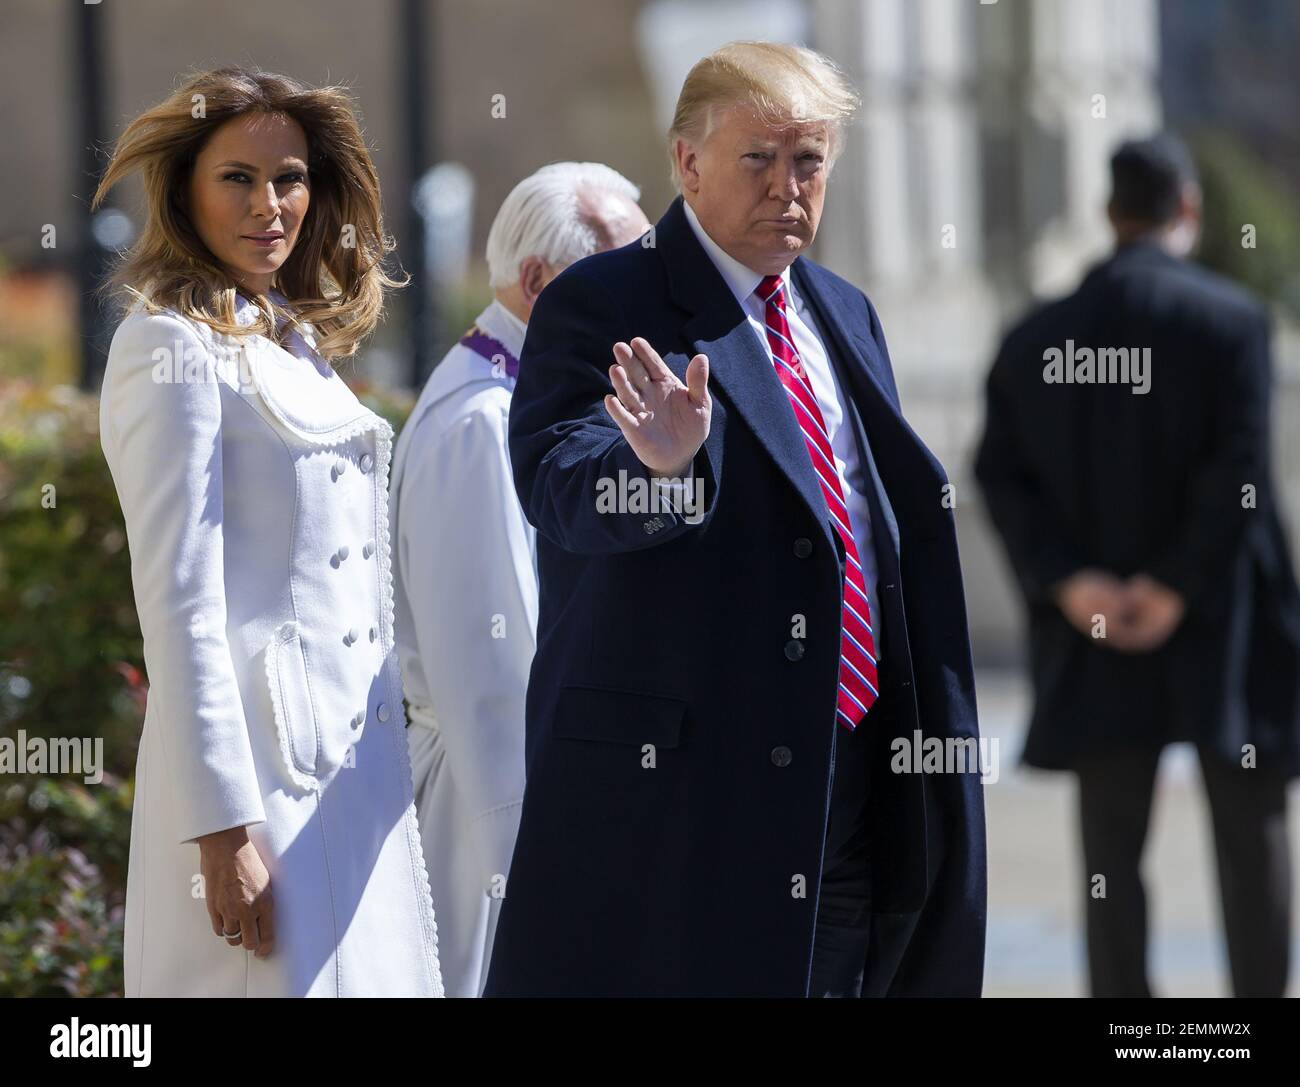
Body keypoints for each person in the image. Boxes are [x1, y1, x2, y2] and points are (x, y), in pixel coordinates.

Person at [485, 41, 987, 998]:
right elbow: (557, 483)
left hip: (848, 785)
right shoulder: (606, 298)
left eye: (809, 162)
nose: (787, 188)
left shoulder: (843, 311)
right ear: (686, 162)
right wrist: (654, 466)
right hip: (683, 808)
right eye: (757, 159)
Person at [95, 66, 443, 997]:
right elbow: (179, 605)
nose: (270, 205)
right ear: (185, 190)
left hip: (351, 770)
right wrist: (221, 828)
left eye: (288, 177)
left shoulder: (287, 335)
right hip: (262, 786)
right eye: (237, 179)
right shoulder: (168, 343)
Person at [975, 134, 1300, 997]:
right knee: (1251, 833)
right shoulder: (1231, 322)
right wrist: (1176, 586)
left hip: (1096, 624)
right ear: (1186, 209)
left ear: (1109, 215)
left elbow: (997, 472)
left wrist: (1073, 581)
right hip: (1221, 620)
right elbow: (1242, 472)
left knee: (1110, 855)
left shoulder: (1035, 334)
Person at [389, 162, 649, 997]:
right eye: (623, 263)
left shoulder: (528, 391)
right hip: (494, 829)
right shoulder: (481, 423)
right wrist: (545, 880)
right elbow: (497, 685)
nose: (648, 288)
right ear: (539, 283)